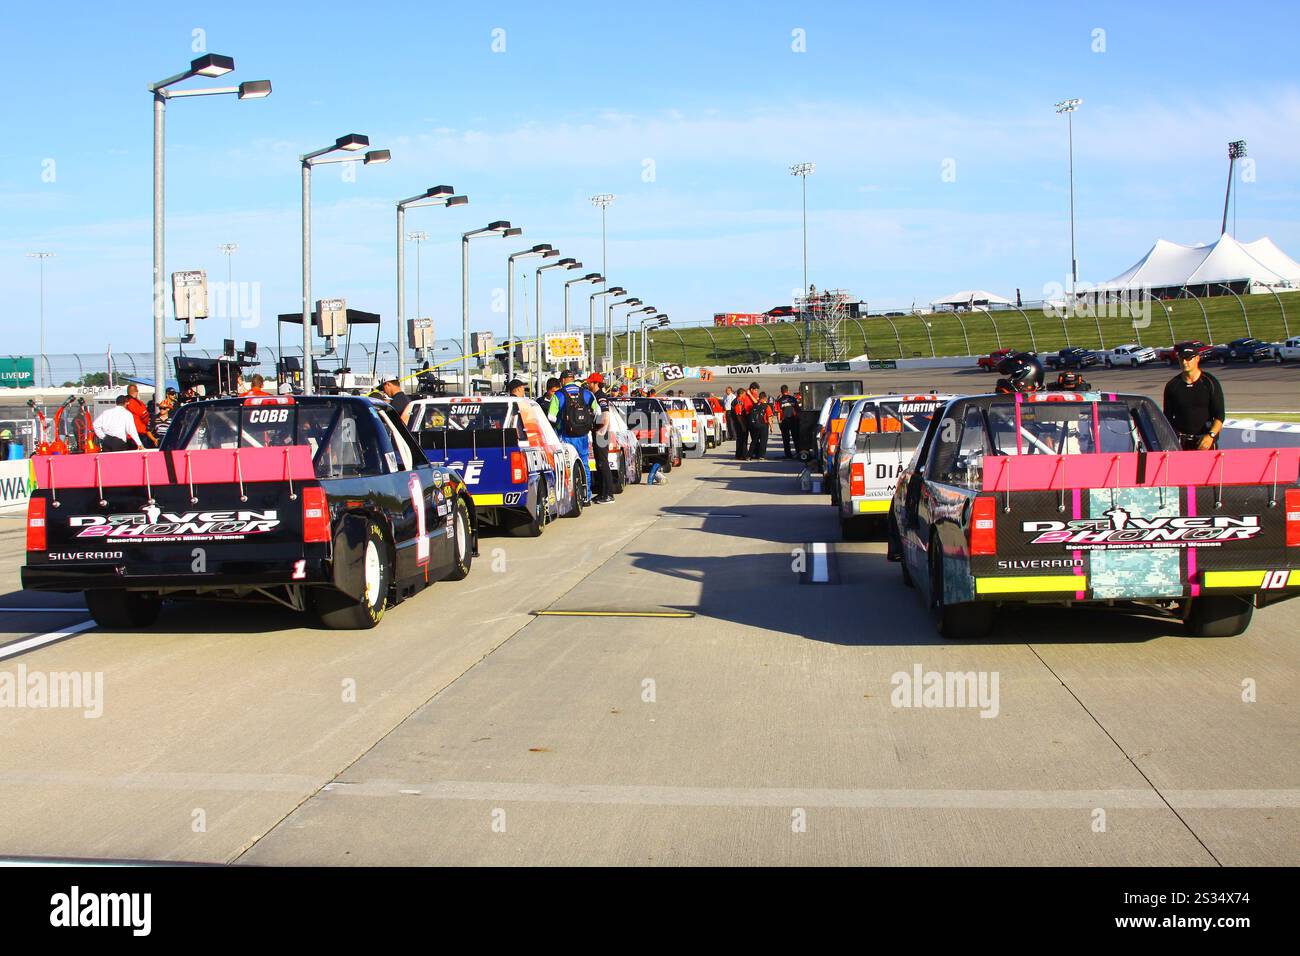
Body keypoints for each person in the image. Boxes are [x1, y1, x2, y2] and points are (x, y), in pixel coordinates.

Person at [547, 369, 600, 502]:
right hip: (583, 436)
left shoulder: (559, 395)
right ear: (573, 379)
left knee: (567, 466)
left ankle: (571, 497)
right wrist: (587, 424)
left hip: (565, 436)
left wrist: (561, 422)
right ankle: (586, 496)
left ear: (563, 380)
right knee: (585, 465)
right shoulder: (586, 393)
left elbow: (551, 417)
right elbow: (598, 412)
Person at [1163, 342, 1225, 450]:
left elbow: (1219, 415)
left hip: (1205, 442)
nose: (1184, 362)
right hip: (1181, 444)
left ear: (1197, 358)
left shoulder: (1210, 382)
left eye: (1188, 359)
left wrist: (1211, 436)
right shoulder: (1172, 386)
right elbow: (1167, 418)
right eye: (1181, 358)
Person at [586, 373, 615, 504]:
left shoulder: (601, 397)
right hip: (597, 432)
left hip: (601, 434)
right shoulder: (595, 396)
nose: (588, 385)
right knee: (599, 463)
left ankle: (608, 494)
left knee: (603, 464)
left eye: (590, 383)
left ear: (596, 383)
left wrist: (601, 431)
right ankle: (602, 493)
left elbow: (606, 415)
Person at [775, 384, 800, 458]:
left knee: (786, 439)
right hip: (794, 420)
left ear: (781, 392)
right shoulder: (793, 399)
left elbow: (778, 412)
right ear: (788, 391)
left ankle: (788, 454)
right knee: (796, 438)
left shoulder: (779, 401)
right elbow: (797, 409)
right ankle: (798, 452)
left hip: (784, 421)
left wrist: (779, 422)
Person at [731, 383, 755, 460]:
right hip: (740, 423)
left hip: (737, 423)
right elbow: (738, 415)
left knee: (740, 439)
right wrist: (743, 426)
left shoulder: (734, 401)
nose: (745, 396)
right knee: (743, 440)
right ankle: (743, 455)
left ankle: (739, 454)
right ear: (741, 394)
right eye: (744, 394)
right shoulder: (738, 402)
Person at [749, 391, 772, 459]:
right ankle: (761, 456)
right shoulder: (767, 406)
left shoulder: (755, 405)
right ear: (765, 398)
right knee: (763, 441)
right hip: (763, 425)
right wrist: (771, 427)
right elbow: (770, 418)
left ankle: (749, 455)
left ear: (759, 398)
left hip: (755, 425)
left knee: (754, 441)